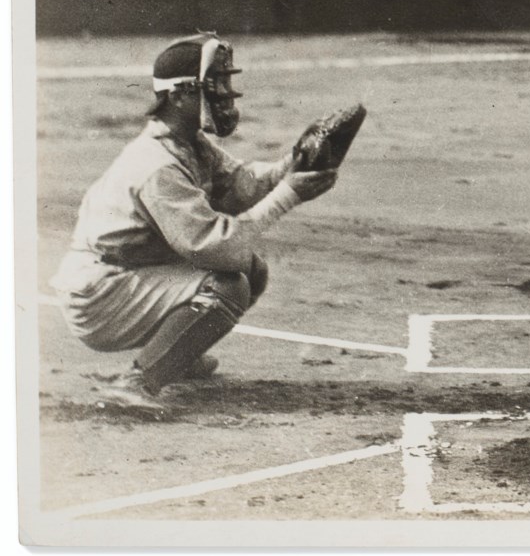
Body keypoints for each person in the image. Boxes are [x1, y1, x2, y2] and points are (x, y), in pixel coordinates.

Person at [49, 32, 340, 413]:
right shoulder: (157, 165)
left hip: (130, 271)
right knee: (228, 283)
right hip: (99, 295)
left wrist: (295, 162)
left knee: (252, 269)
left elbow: (241, 186)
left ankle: (175, 357)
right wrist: (291, 194)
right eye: (212, 85)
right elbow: (216, 245)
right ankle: (138, 380)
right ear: (178, 95)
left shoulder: (185, 142)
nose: (223, 93)